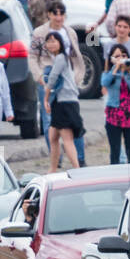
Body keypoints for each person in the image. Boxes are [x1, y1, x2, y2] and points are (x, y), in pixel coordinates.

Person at [31, 2, 86, 165]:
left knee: (74, 119)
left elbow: (76, 56)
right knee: (49, 120)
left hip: (67, 79)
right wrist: (39, 76)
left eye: (62, 13)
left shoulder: (70, 32)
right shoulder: (39, 33)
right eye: (55, 13)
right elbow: (32, 56)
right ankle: (57, 160)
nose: (58, 17)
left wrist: (77, 76)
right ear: (49, 14)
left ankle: (80, 159)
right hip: (48, 73)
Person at [43, 31, 84, 173]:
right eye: (49, 41)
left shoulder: (61, 58)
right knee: (53, 136)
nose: (51, 44)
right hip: (62, 102)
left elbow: (52, 79)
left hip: (65, 102)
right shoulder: (60, 59)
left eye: (54, 41)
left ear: (60, 43)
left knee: (67, 139)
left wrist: (46, 98)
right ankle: (52, 169)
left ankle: (77, 170)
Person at [102, 43, 130, 165]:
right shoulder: (109, 73)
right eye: (117, 56)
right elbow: (105, 82)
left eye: (123, 55)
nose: (121, 58)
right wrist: (115, 69)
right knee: (115, 151)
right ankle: (115, 178)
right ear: (112, 58)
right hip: (114, 115)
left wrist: (129, 71)